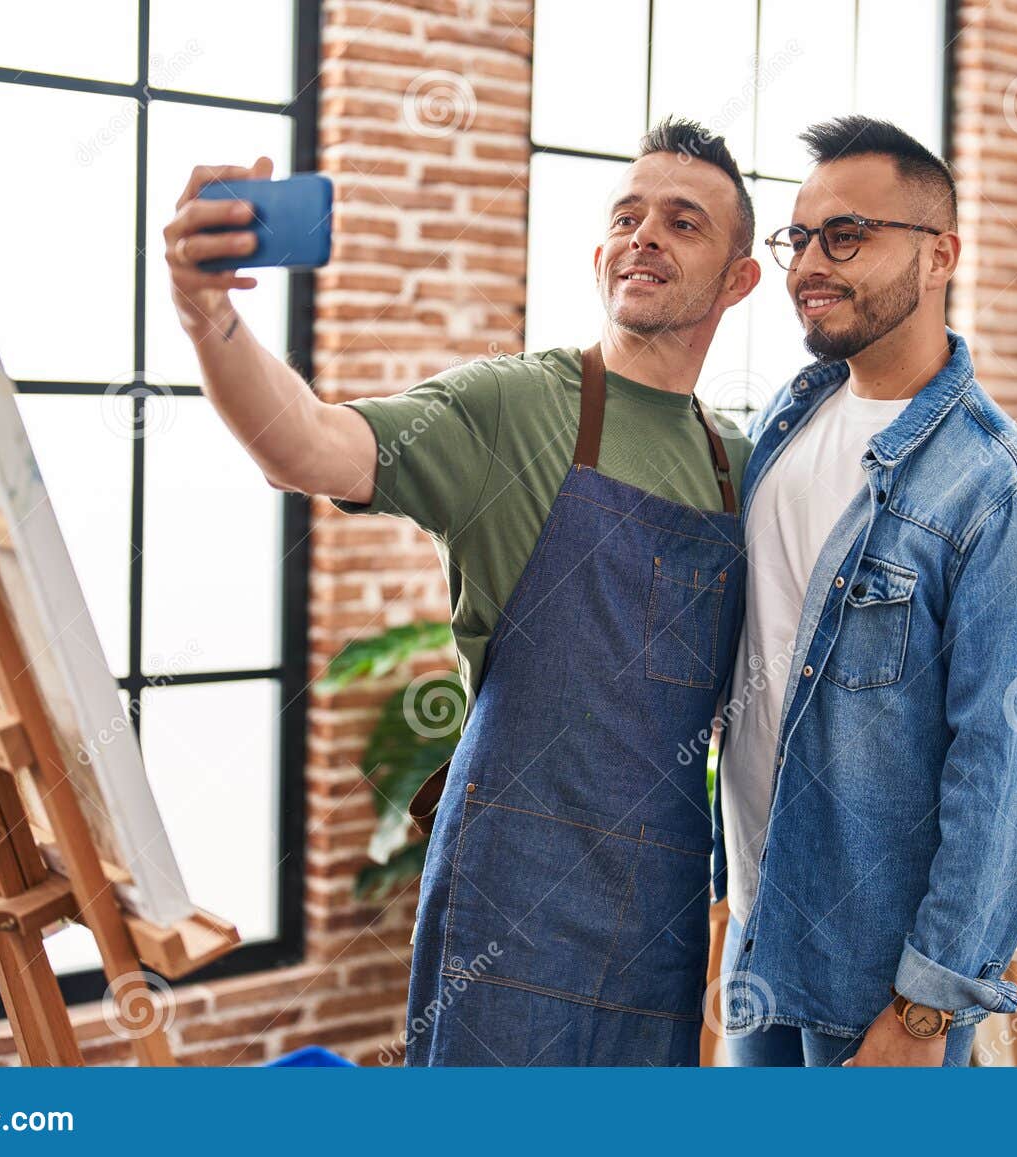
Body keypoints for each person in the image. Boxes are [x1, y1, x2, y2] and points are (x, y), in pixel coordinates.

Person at [163, 117, 760, 1065]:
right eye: (628, 214)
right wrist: (208, 316)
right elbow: (308, 444)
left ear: (739, 278)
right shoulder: (516, 407)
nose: (644, 234)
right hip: (512, 911)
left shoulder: (739, 465)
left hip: (664, 920)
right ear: (600, 251)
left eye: (684, 222)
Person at [715, 116, 1017, 1067]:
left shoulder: (1007, 492)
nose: (810, 264)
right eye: (798, 238)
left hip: (875, 985)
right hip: (764, 944)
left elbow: (1006, 777)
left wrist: (927, 1008)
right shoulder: (791, 420)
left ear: (940, 256)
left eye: (847, 235)